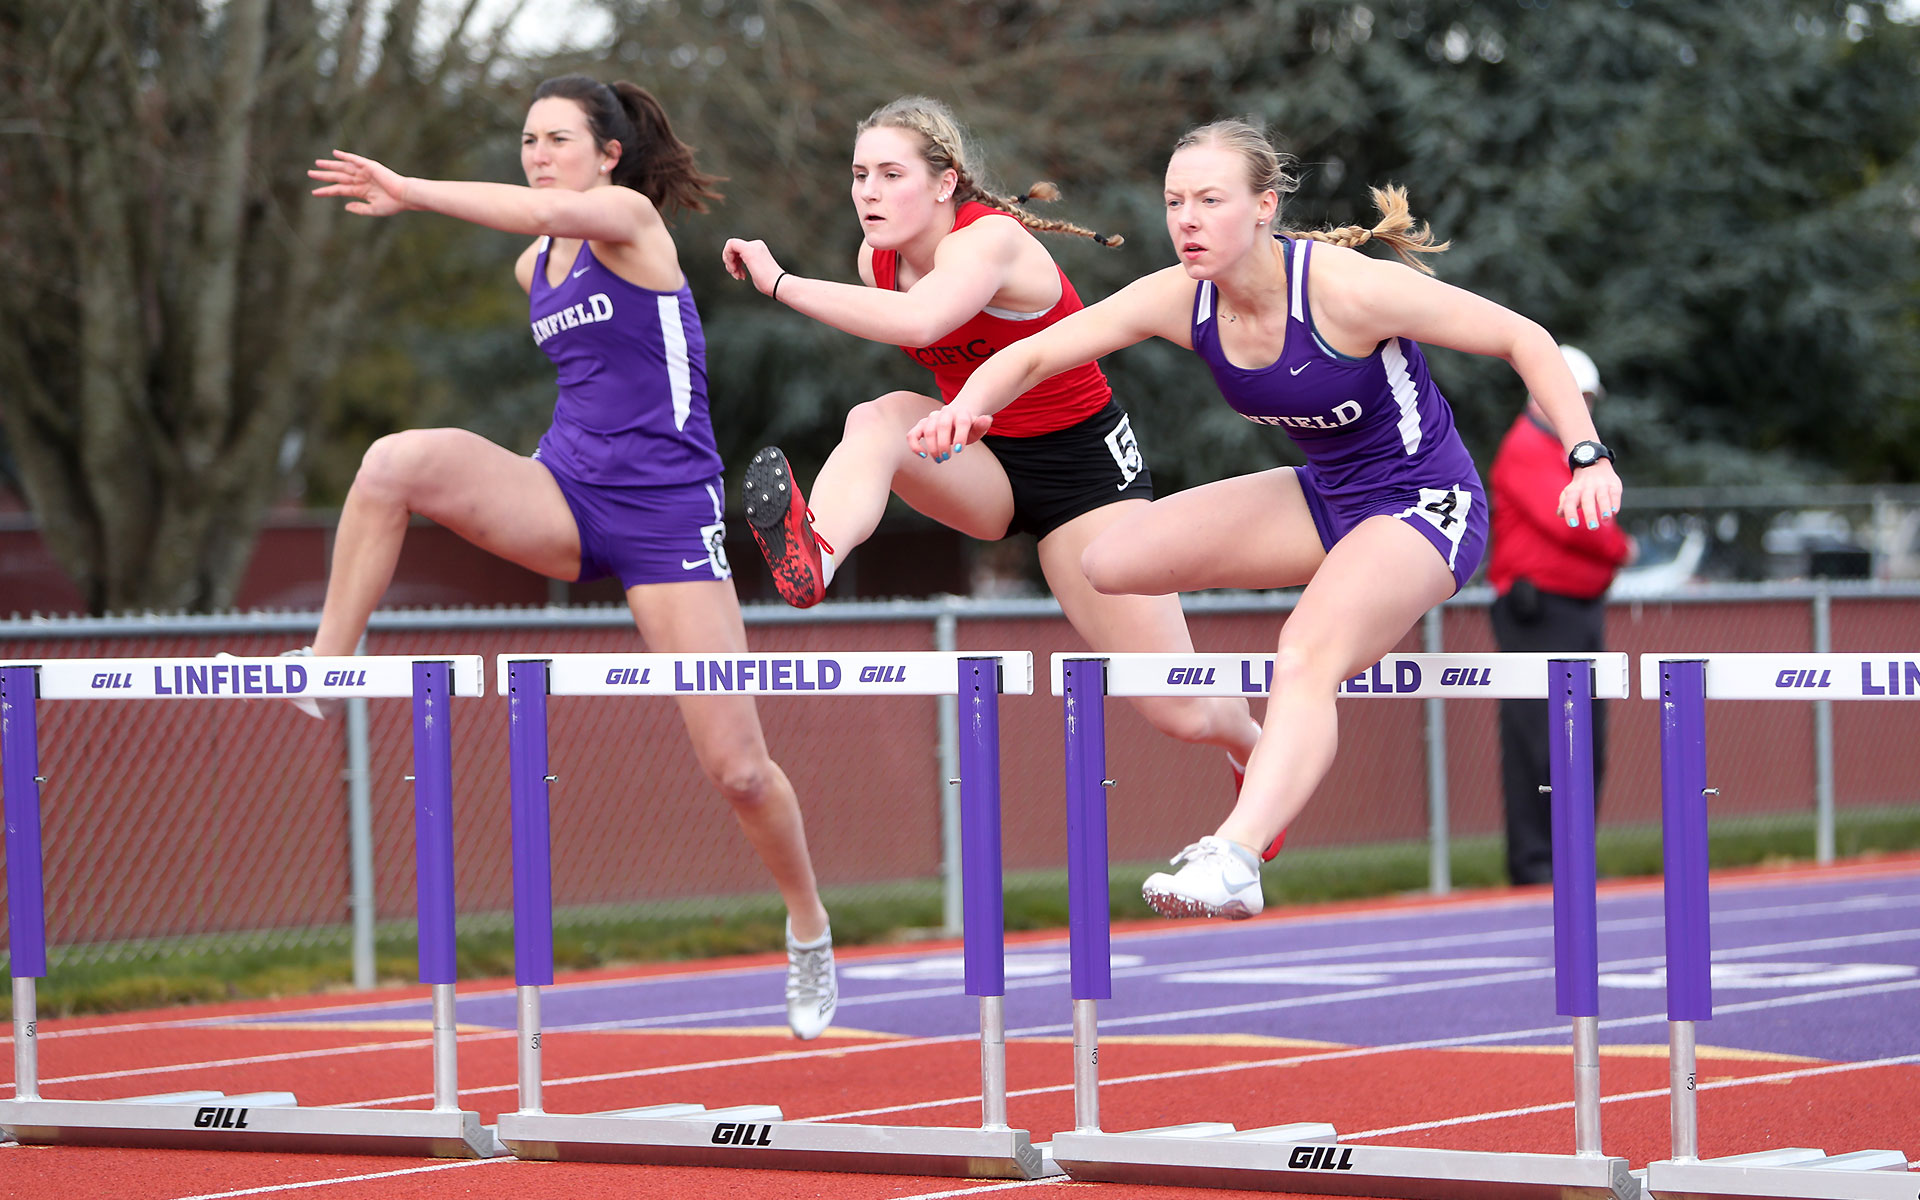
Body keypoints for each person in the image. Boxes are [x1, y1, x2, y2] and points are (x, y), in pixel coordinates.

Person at [909, 118, 1623, 920]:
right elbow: (1039, 351)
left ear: (1263, 208)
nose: (1185, 219)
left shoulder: (1346, 289)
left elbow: (1523, 338)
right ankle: (1252, 738)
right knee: (1109, 562)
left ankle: (1239, 854)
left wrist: (1586, 453)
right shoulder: (1183, 298)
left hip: (1424, 501)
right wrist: (968, 407)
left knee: (1305, 653)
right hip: (1326, 495)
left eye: (1209, 200)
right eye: (1175, 200)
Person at [307, 75, 838, 1038]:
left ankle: (807, 924)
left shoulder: (629, 220)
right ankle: (326, 662)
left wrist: (413, 189)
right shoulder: (537, 269)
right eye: (526, 138)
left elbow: (552, 208)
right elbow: (541, 225)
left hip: (670, 517)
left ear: (608, 156)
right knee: (394, 464)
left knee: (739, 771)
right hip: (565, 493)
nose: (537, 153)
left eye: (556, 138)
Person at [718, 95, 1266, 827]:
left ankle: (1253, 747)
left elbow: (923, 321)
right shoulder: (876, 260)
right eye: (858, 175)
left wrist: (780, 282)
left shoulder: (990, 242)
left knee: (1180, 710)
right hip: (978, 456)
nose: (869, 193)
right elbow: (905, 319)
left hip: (1084, 479)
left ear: (945, 183)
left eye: (890, 174)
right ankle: (816, 551)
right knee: (875, 421)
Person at [1488, 345, 1635, 886]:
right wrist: (1623, 549)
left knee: (1581, 742)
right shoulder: (1528, 447)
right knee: (1540, 744)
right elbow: (1580, 520)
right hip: (1538, 612)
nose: (1581, 409)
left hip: (1572, 611)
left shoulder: (1553, 449)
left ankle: (1568, 861)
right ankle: (1535, 868)